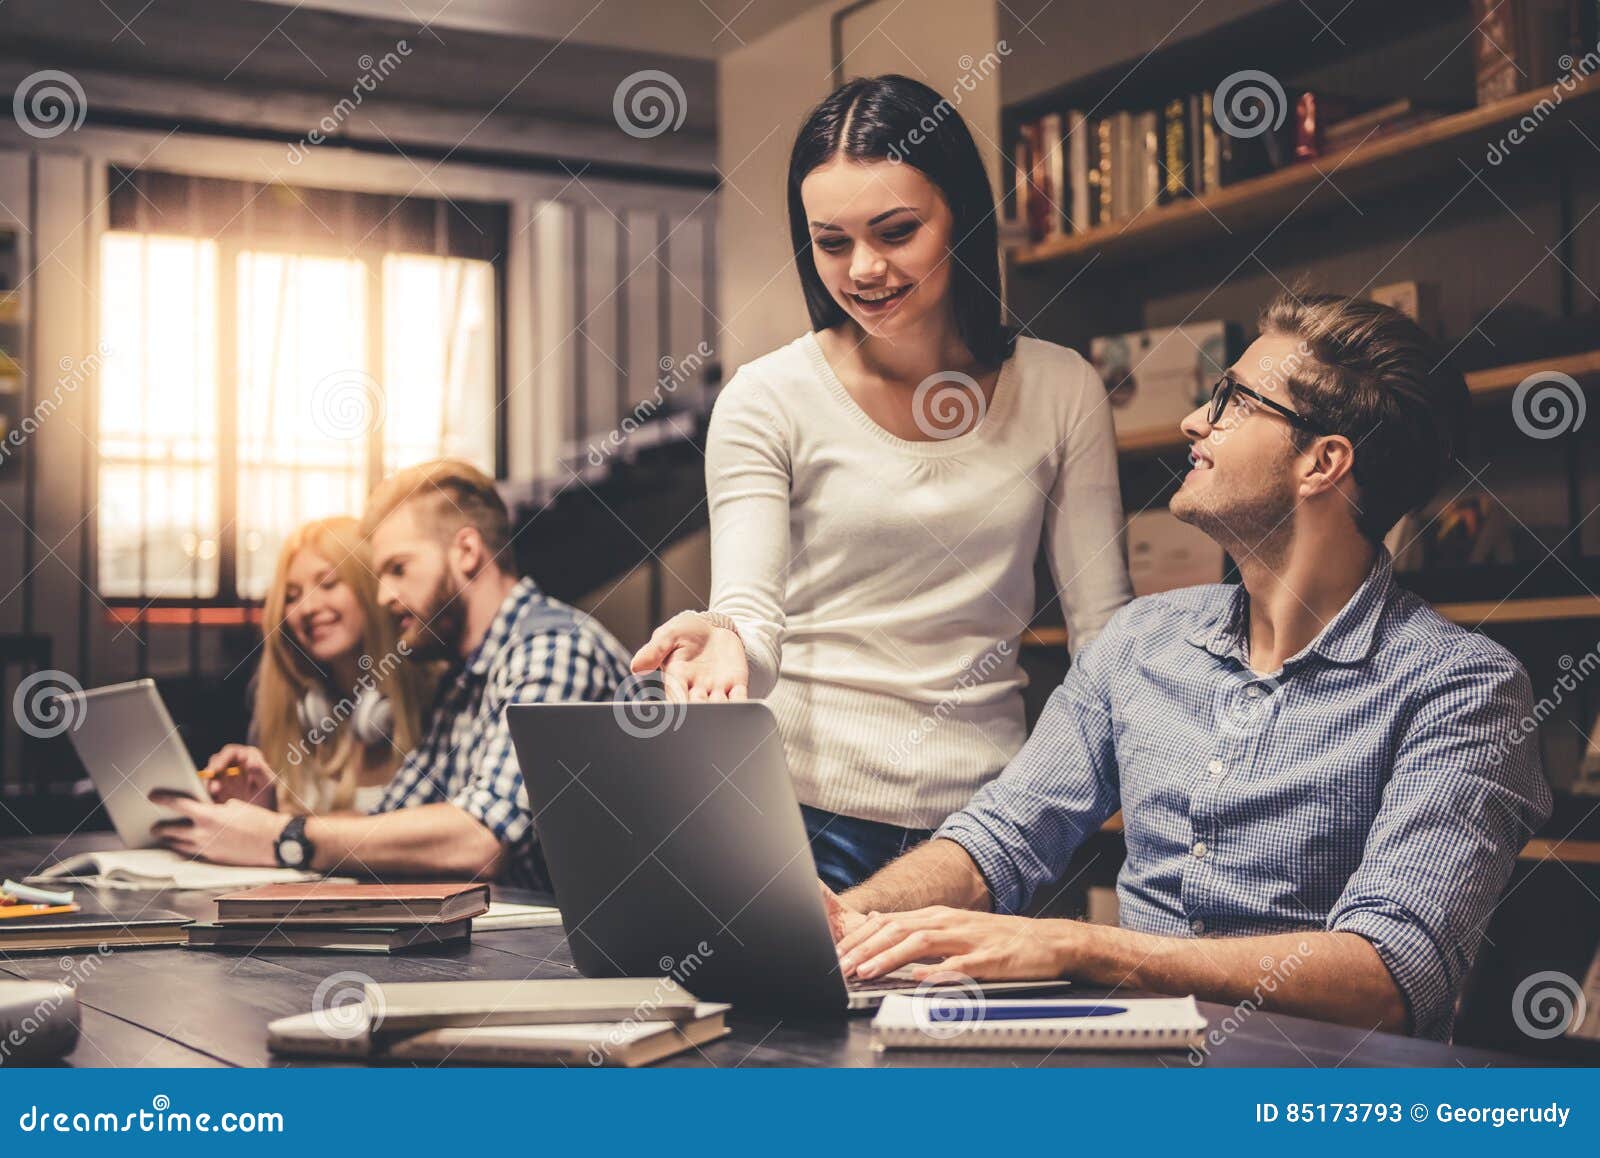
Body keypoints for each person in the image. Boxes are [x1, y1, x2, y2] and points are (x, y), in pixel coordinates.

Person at [824, 292, 1553, 1042]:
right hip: (1135, 1073)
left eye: (1234, 402)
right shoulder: (1142, 640)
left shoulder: (1465, 690)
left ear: (1323, 462)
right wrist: (848, 921)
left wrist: (1081, 948)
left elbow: (1393, 975)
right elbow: (1002, 838)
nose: (1195, 421)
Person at [630, 75, 1132, 891]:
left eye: (897, 232)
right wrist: (723, 642)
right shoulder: (767, 398)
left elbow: (1102, 638)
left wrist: (1079, 800)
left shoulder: (1061, 388)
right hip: (801, 815)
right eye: (832, 242)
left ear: (961, 216)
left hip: (992, 822)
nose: (864, 269)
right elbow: (752, 622)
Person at [153, 460, 632, 886]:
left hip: (572, 951)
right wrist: (268, 818)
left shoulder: (551, 649)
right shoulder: (465, 678)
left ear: (466, 551)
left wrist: (283, 837)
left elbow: (481, 838)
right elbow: (389, 823)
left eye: (398, 569)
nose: (383, 596)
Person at [200, 516, 433, 816]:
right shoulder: (291, 710)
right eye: (292, 596)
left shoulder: (438, 700)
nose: (308, 608)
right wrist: (262, 808)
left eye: (328, 584)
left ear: (371, 587)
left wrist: (286, 828)